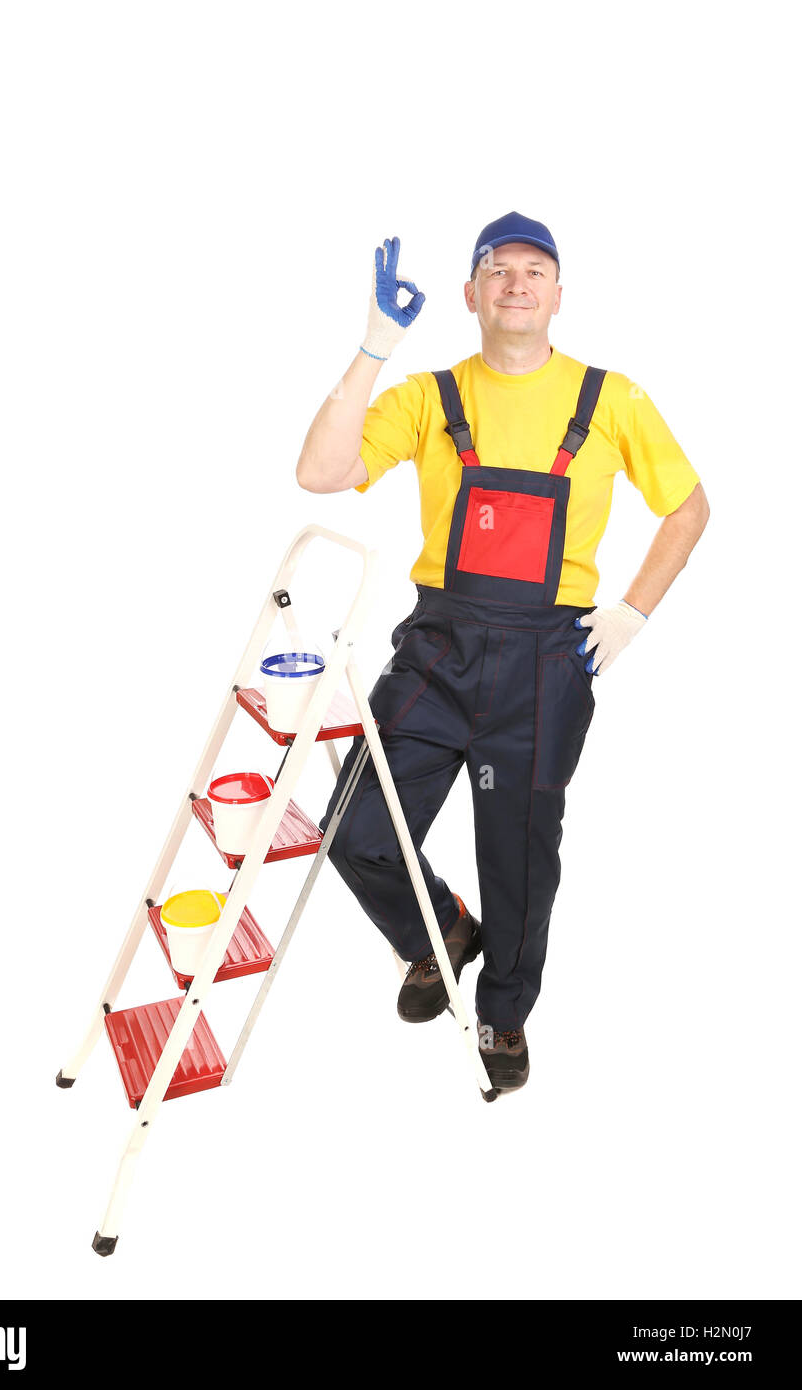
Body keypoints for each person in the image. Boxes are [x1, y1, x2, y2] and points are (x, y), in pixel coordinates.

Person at [295, 212, 709, 1095]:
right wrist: (373, 346)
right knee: (357, 829)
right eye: (497, 269)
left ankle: (504, 1012)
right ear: (470, 294)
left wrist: (632, 611)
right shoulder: (427, 396)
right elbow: (320, 473)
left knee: (520, 857)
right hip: (437, 654)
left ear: (558, 295)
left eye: (535, 270)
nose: (516, 282)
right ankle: (438, 933)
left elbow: (688, 507)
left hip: (545, 664)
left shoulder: (612, 399)